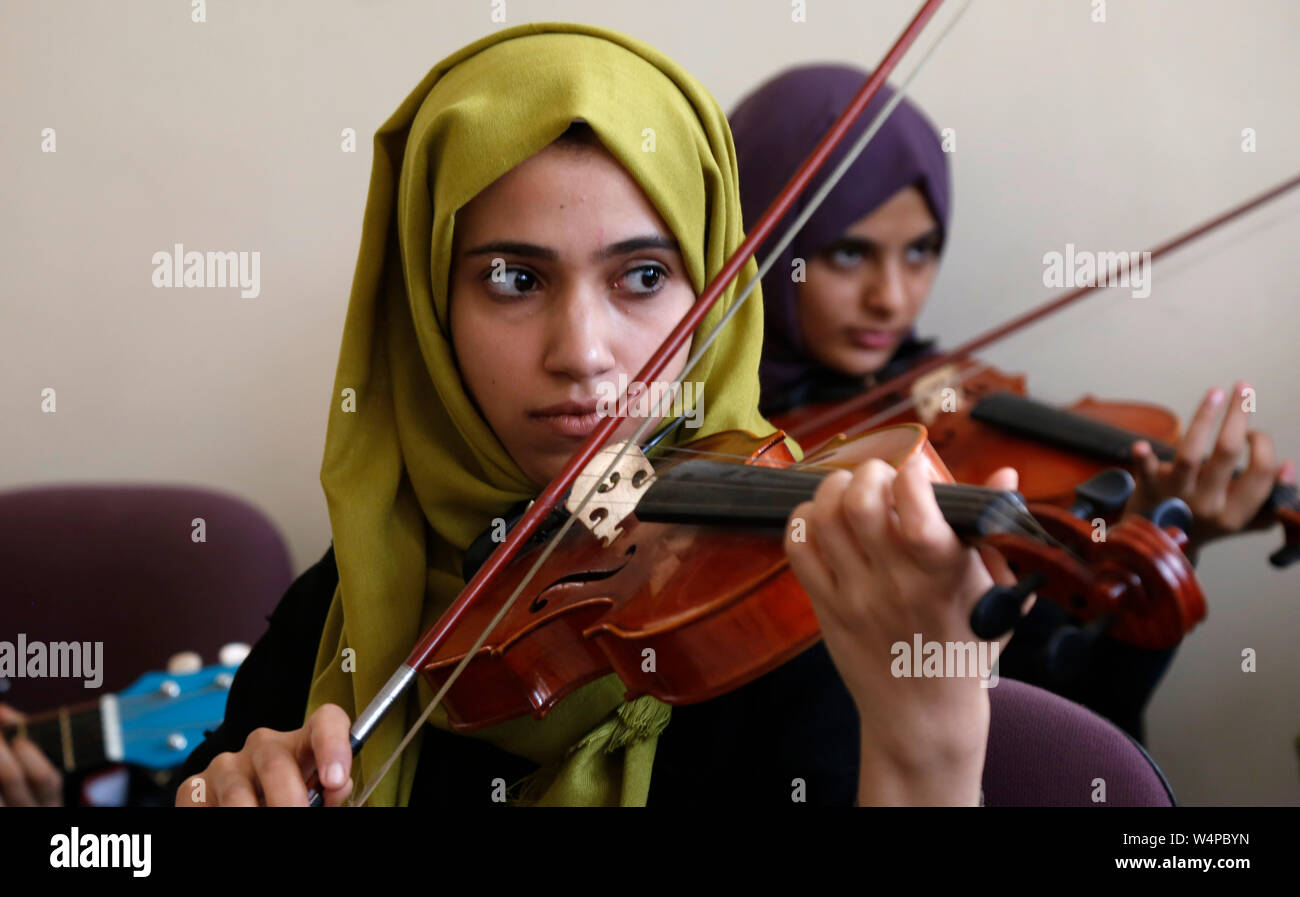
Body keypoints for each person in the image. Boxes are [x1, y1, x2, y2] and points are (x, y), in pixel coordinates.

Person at [152, 23, 1042, 808]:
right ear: (426, 309)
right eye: (514, 278)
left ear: (714, 287)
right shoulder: (351, 593)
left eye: (643, 276)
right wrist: (213, 787)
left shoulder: (807, 612)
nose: (581, 353)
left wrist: (931, 751)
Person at [729, 63, 1294, 740]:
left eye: (920, 251)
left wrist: (1157, 548)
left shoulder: (955, 397)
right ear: (762, 237)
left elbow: (1063, 717)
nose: (893, 297)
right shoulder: (710, 428)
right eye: (849, 254)